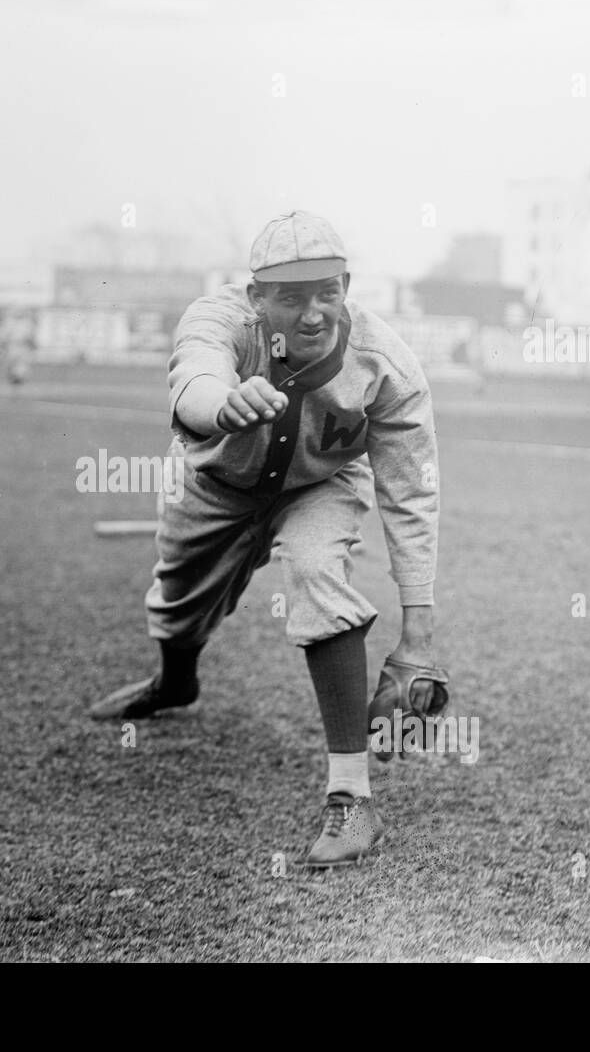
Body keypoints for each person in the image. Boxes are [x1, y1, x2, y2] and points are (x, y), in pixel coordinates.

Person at [90, 211, 444, 867]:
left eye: (327, 292)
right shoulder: (219, 317)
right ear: (257, 298)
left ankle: (352, 797)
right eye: (290, 297)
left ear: (346, 285)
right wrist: (221, 405)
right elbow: (195, 375)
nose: (313, 314)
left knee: (318, 573)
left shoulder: (386, 362)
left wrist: (417, 639)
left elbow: (411, 497)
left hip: (321, 486)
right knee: (177, 598)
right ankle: (175, 681)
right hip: (218, 486)